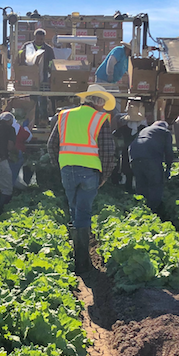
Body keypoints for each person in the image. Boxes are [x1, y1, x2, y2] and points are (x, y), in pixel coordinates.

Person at [47, 85, 116, 273]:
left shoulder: (64, 116)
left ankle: (77, 258)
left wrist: (60, 164)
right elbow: (108, 152)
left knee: (74, 211)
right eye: (103, 102)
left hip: (67, 170)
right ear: (98, 101)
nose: (103, 106)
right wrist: (104, 176)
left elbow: (51, 145)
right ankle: (83, 263)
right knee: (83, 214)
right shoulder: (100, 119)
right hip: (90, 172)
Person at [128, 120, 175, 212]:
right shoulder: (165, 132)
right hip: (150, 156)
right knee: (156, 184)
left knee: (141, 183)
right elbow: (169, 151)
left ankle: (142, 207)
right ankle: (155, 209)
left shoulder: (145, 130)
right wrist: (168, 167)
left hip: (134, 155)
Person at [112, 106, 146, 188]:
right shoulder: (143, 128)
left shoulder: (124, 128)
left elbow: (114, 134)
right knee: (136, 167)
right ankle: (136, 185)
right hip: (139, 150)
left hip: (126, 149)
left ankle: (127, 185)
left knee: (126, 167)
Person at [10, 118, 33, 187]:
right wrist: (25, 127)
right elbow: (29, 137)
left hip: (3, 154)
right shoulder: (19, 128)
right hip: (16, 153)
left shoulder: (0, 129)